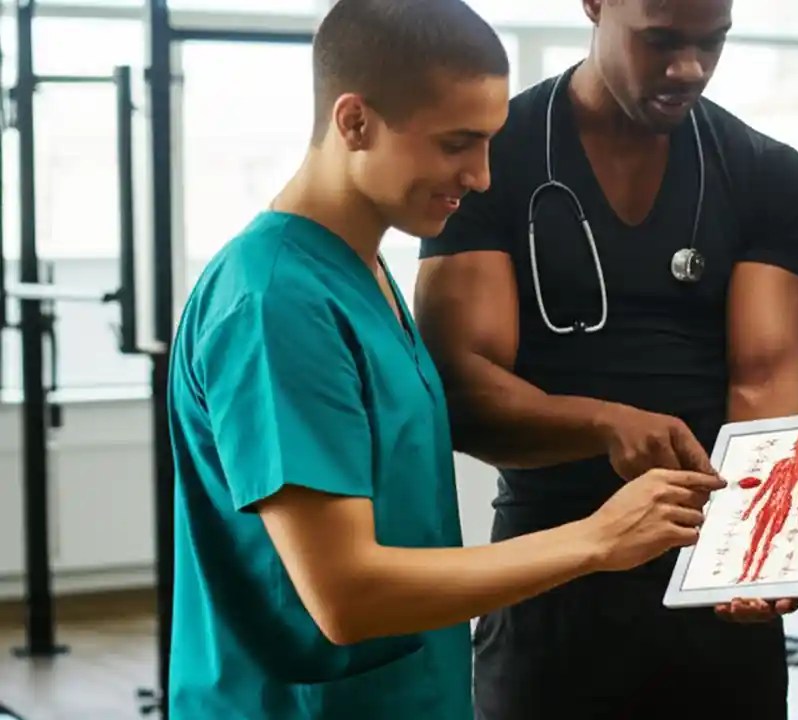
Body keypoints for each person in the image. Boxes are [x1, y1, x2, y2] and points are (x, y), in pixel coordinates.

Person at [165, 1, 725, 718]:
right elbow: (347, 594)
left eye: (489, 142)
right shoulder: (276, 301)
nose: (483, 176)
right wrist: (596, 540)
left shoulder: (361, 274)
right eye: (457, 143)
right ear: (355, 122)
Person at [413, 0, 798, 716]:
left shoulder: (768, 175)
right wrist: (605, 424)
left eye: (712, 42)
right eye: (661, 40)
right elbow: (461, 390)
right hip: (548, 578)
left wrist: (763, 551)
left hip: (710, 580)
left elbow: (767, 385)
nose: (690, 68)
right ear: (595, 5)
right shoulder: (494, 158)